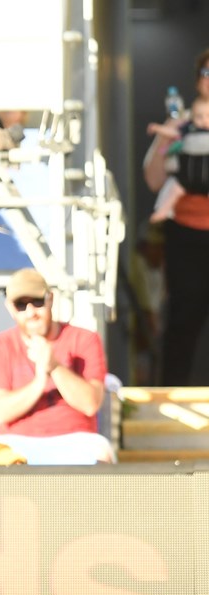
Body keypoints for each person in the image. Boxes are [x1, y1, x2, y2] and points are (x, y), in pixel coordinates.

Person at [0, 268, 114, 465]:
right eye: (21, 305)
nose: (31, 312)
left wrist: (54, 367)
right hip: (13, 443)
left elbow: (91, 403)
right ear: (10, 307)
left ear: (50, 299)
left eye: (37, 302)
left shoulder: (85, 339)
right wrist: (40, 380)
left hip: (76, 441)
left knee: (101, 456)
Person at [142, 51, 209, 386]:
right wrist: (165, 137)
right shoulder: (181, 123)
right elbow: (154, 179)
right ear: (198, 77)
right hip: (186, 233)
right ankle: (171, 394)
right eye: (207, 71)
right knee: (184, 318)